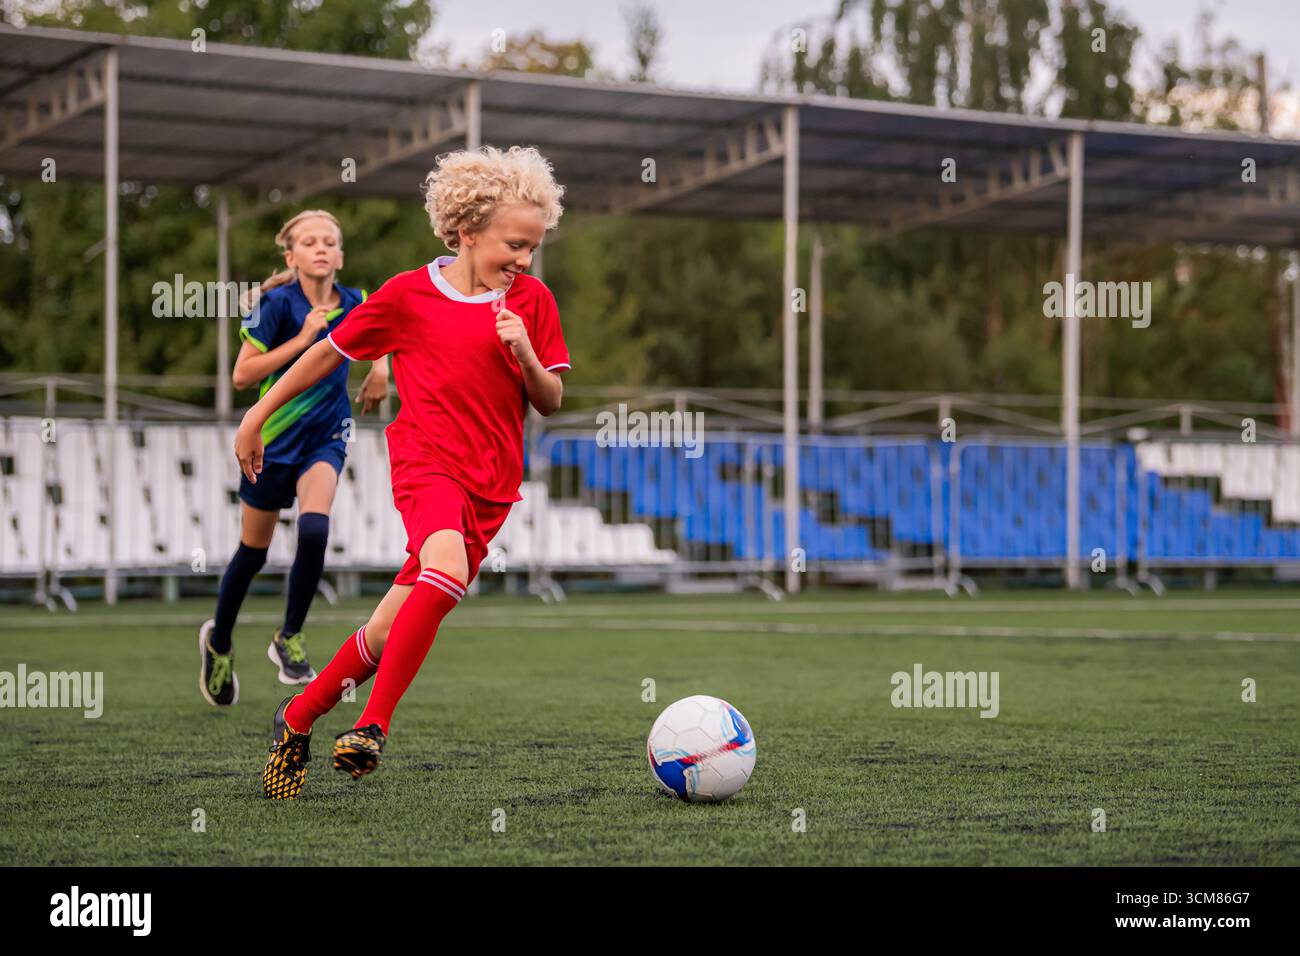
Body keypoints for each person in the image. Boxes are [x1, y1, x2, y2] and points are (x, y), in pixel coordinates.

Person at [234, 147, 569, 799]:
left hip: (493, 487)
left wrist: (526, 354)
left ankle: (296, 719)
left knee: (386, 632)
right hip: (426, 465)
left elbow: (550, 398)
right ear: (468, 230)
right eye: (513, 244)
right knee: (441, 569)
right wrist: (257, 413)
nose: (524, 260)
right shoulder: (407, 295)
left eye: (533, 246)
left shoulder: (532, 301)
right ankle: (371, 727)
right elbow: (328, 355)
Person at [199, 210, 389, 707]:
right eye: (310, 242)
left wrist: (380, 367)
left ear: (341, 255)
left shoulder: (357, 302)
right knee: (253, 552)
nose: (322, 248)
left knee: (314, 529)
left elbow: (388, 331)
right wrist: (303, 341)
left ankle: (289, 637)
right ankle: (219, 643)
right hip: (272, 438)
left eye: (331, 241)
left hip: (326, 437)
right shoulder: (276, 304)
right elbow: (243, 376)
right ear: (292, 256)